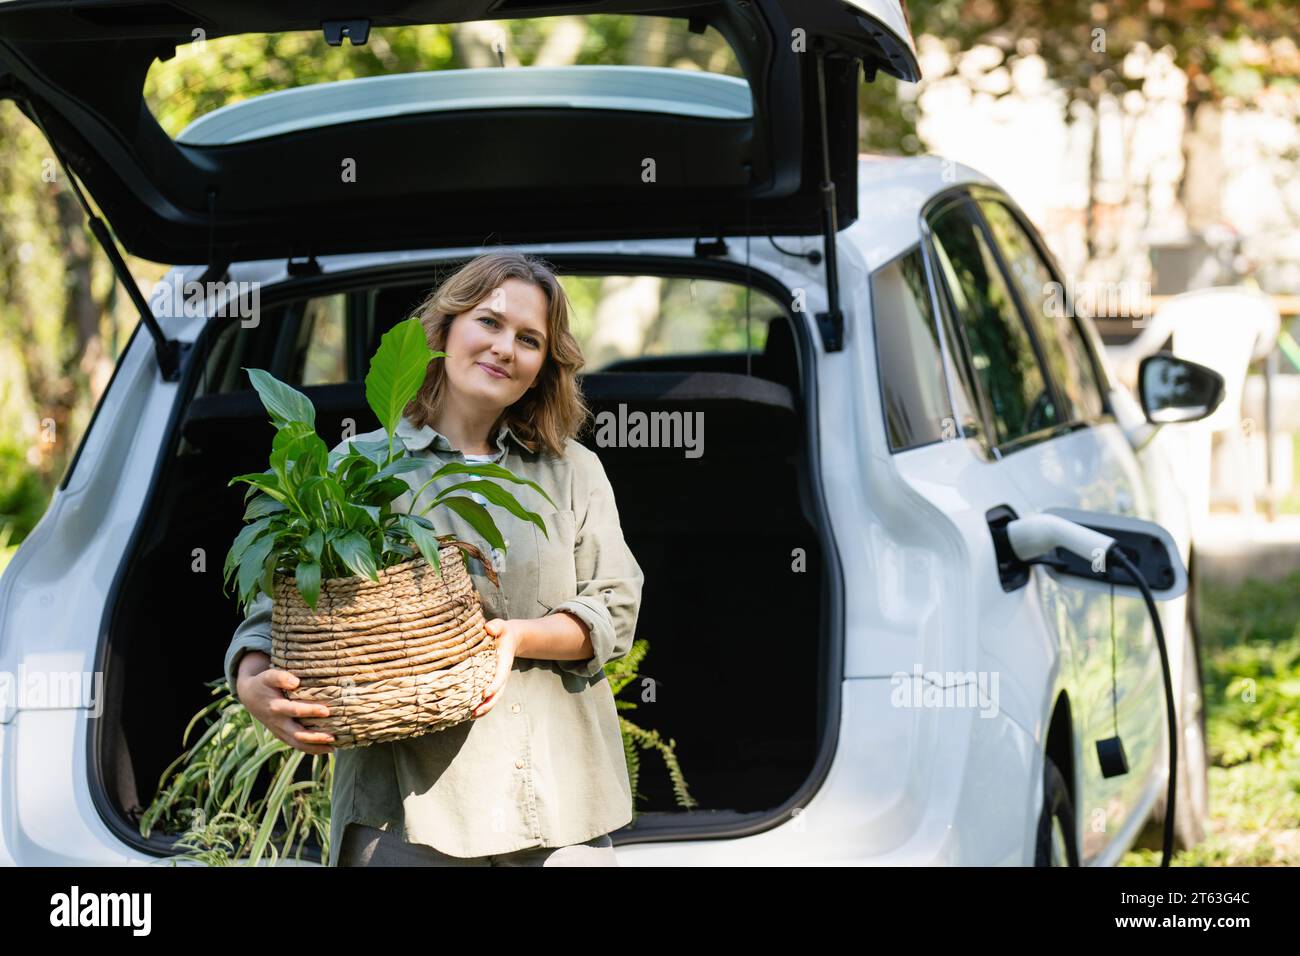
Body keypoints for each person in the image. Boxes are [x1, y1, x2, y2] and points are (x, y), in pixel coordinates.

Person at [222, 250, 645, 867]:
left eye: (530, 339)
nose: (506, 347)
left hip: (555, 804)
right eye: (490, 322)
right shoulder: (358, 466)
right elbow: (275, 610)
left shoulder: (573, 470)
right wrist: (253, 685)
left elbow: (617, 606)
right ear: (444, 330)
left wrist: (516, 638)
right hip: (407, 812)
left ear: (542, 369)